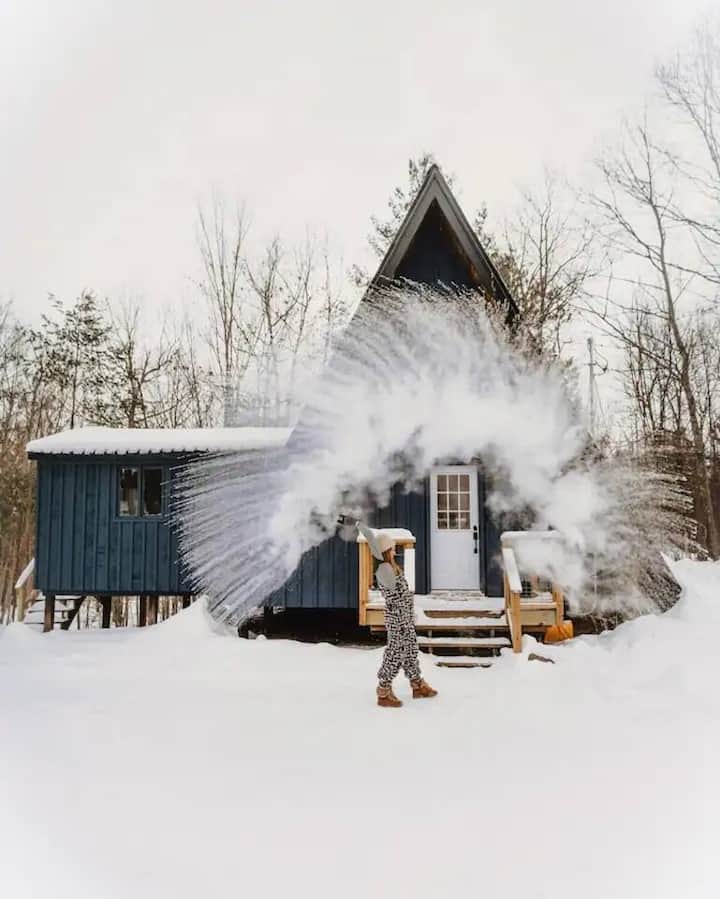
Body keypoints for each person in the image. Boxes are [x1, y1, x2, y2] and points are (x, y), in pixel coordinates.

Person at [365, 527, 438, 708]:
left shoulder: (392, 567)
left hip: (405, 616)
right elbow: (395, 597)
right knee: (395, 653)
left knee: (411, 650)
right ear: (386, 551)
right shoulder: (384, 570)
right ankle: (383, 691)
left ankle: (417, 684)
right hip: (397, 619)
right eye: (391, 548)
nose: (394, 550)